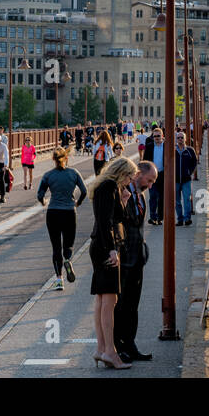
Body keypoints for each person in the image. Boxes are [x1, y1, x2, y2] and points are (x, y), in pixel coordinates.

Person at [89, 156, 135, 370]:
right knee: (110, 300)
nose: (130, 182)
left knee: (102, 299)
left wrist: (124, 200)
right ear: (122, 173)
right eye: (129, 177)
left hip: (100, 245)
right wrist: (112, 249)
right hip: (105, 247)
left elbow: (117, 218)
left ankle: (101, 349)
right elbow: (107, 221)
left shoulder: (107, 186)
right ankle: (109, 352)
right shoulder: (108, 187)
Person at [114, 160, 157, 363]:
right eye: (149, 180)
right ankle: (118, 347)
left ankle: (131, 345)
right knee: (120, 305)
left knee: (133, 305)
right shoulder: (121, 192)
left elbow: (139, 227)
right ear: (138, 174)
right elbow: (115, 223)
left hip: (138, 257)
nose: (150, 185)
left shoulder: (140, 196)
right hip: (123, 258)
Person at [36, 148, 88, 290]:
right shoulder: (74, 173)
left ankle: (59, 279)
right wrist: (78, 202)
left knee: (56, 247)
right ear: (66, 158)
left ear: (53, 159)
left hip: (53, 212)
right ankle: (67, 260)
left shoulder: (48, 175)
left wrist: (44, 202)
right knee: (68, 244)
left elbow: (40, 195)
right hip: (69, 212)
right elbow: (84, 191)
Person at [140, 127, 167, 225]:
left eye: (158, 136)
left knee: (161, 197)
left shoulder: (167, 146)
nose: (156, 138)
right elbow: (145, 160)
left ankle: (160, 217)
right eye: (154, 136)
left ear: (162, 136)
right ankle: (152, 216)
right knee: (153, 196)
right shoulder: (150, 146)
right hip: (152, 176)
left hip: (163, 174)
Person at [174, 131, 198, 226]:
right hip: (175, 180)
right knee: (177, 201)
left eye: (182, 138)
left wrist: (190, 172)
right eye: (178, 138)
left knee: (187, 199)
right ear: (176, 139)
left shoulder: (190, 150)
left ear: (185, 139)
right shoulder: (173, 151)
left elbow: (195, 162)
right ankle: (180, 219)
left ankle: (187, 218)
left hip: (186, 180)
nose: (180, 139)